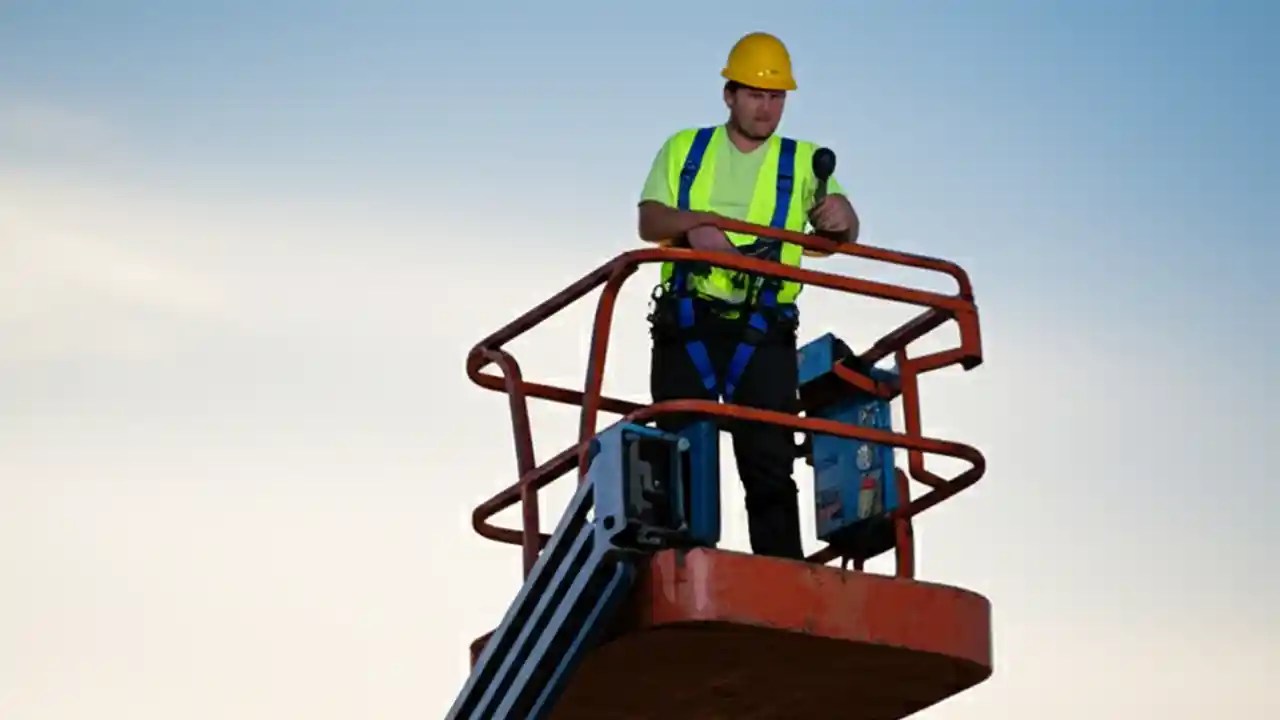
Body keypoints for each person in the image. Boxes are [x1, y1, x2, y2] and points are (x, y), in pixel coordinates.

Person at [636, 31, 859, 560]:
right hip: (688, 324)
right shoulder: (685, 148)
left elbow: (843, 228)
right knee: (679, 456)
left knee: (768, 464)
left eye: (776, 96)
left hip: (765, 331)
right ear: (729, 95)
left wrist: (843, 220)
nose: (767, 107)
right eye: (756, 94)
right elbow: (649, 219)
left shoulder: (805, 162)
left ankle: (780, 581)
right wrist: (698, 227)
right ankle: (681, 574)